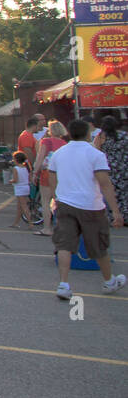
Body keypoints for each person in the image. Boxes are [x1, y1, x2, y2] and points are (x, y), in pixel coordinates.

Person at [48, 118, 127, 299]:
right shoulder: (95, 155)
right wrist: (115, 210)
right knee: (99, 245)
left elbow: (52, 177)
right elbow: (105, 183)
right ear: (88, 133)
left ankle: (63, 284)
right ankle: (108, 281)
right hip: (91, 205)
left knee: (64, 245)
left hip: (65, 204)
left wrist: (56, 198)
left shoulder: (59, 153)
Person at [32, 121, 68, 237]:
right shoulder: (64, 143)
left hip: (47, 173)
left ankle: (47, 228)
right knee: (59, 201)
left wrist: (34, 172)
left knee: (45, 201)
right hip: (61, 175)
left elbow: (40, 158)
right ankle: (62, 226)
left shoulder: (46, 142)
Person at [94, 115, 128, 213]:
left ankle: (112, 215)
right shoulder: (124, 135)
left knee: (109, 192)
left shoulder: (101, 136)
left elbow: (97, 151)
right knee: (124, 193)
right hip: (124, 167)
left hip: (108, 168)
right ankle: (125, 214)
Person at [8, 151, 32, 227]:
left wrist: (10, 181)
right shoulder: (26, 168)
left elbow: (16, 180)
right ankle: (16, 223)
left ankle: (30, 222)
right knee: (19, 207)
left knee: (24, 206)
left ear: (16, 160)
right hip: (26, 187)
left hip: (20, 188)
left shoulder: (16, 168)